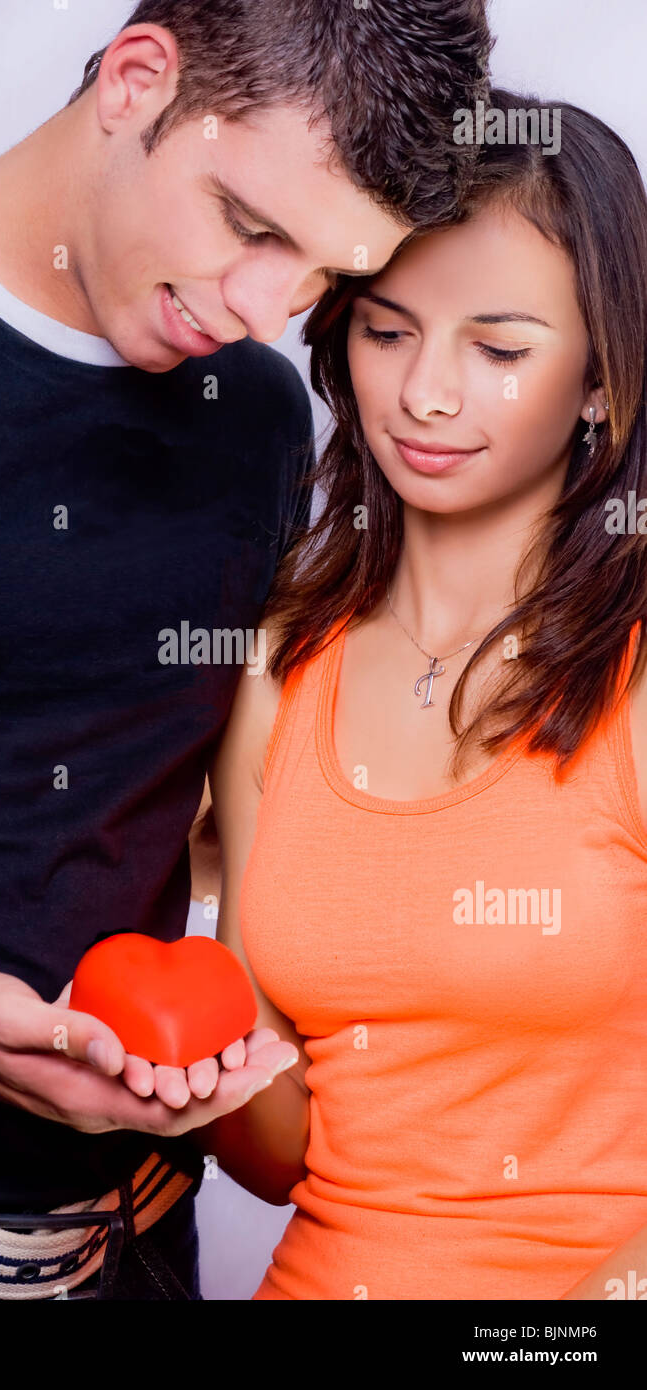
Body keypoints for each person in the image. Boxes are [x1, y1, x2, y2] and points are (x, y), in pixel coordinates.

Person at [0, 1, 492, 1300]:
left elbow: (198, 811)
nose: (265, 308)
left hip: (145, 1240)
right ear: (135, 78)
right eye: (252, 224)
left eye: (328, 274)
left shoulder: (258, 417)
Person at [199, 91, 647, 1299]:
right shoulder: (283, 664)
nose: (426, 396)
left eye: (499, 349)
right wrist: (192, 1075)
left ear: (604, 383)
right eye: (387, 332)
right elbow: (284, 1155)